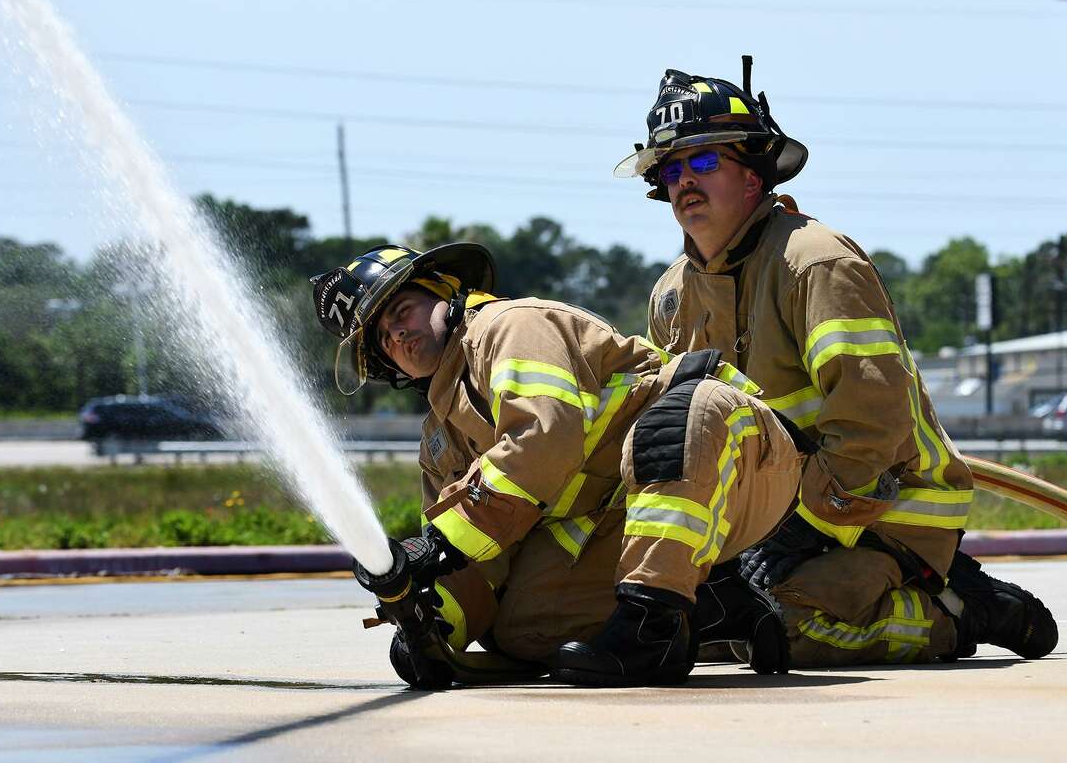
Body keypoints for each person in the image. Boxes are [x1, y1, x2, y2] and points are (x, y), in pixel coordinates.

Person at [615, 56, 1057, 666]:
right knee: (697, 628)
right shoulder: (672, 293)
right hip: (773, 518)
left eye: (705, 160)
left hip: (883, 508)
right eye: (671, 169)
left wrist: (802, 528)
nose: (684, 180)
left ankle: (961, 610)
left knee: (778, 630)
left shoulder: (816, 262)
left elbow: (874, 423)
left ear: (754, 174)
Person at [312, 242, 801, 687]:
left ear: (446, 292)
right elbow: (477, 560)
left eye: (402, 309)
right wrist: (432, 623)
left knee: (670, 430)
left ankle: (652, 633)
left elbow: (544, 437)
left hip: (739, 456)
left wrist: (437, 544)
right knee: (521, 628)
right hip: (630, 511)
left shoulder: (508, 327)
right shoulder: (442, 440)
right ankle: (712, 605)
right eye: (382, 338)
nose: (397, 332)